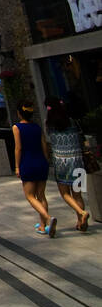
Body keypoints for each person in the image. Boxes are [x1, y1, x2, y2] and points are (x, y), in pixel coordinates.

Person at [45, 98, 90, 232]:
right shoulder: (73, 121)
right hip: (78, 160)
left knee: (65, 193)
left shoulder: (49, 124)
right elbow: (82, 139)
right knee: (78, 194)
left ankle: (81, 214)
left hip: (61, 162)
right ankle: (80, 221)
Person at [13, 104, 55, 236]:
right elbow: (44, 145)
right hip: (41, 162)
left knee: (30, 196)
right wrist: (46, 159)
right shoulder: (37, 127)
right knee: (41, 195)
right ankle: (42, 226)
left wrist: (17, 166)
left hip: (28, 162)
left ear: (19, 113)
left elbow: (18, 148)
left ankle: (47, 218)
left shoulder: (17, 127)